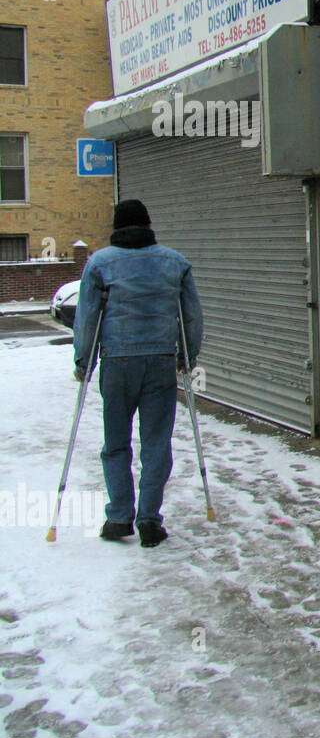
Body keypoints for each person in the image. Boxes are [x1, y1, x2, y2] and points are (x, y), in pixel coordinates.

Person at [73, 199, 203, 548]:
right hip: (159, 362)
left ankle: (118, 518)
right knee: (156, 443)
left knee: (115, 443)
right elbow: (191, 316)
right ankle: (149, 519)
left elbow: (86, 317)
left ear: (116, 227)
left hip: (116, 363)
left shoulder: (99, 263)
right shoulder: (174, 263)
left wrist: (83, 362)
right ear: (148, 225)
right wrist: (187, 356)